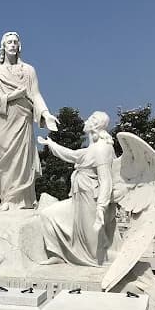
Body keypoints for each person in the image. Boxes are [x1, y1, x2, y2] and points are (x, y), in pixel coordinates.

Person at [0, 32, 59, 210]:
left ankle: (22, 201)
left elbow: (36, 94)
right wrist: (12, 96)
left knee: (22, 159)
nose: (13, 45)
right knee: (6, 159)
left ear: (19, 46)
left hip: (23, 118)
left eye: (15, 42)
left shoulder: (29, 70)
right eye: (9, 42)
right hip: (3, 120)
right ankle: (7, 199)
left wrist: (46, 114)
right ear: (3, 46)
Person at [36, 111, 118, 266]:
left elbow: (106, 180)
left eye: (90, 118)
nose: (86, 120)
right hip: (79, 199)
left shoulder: (102, 149)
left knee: (94, 252)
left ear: (95, 125)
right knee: (48, 215)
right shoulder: (91, 149)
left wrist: (101, 208)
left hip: (91, 202)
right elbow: (72, 155)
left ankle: (121, 260)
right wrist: (51, 144)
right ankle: (58, 254)